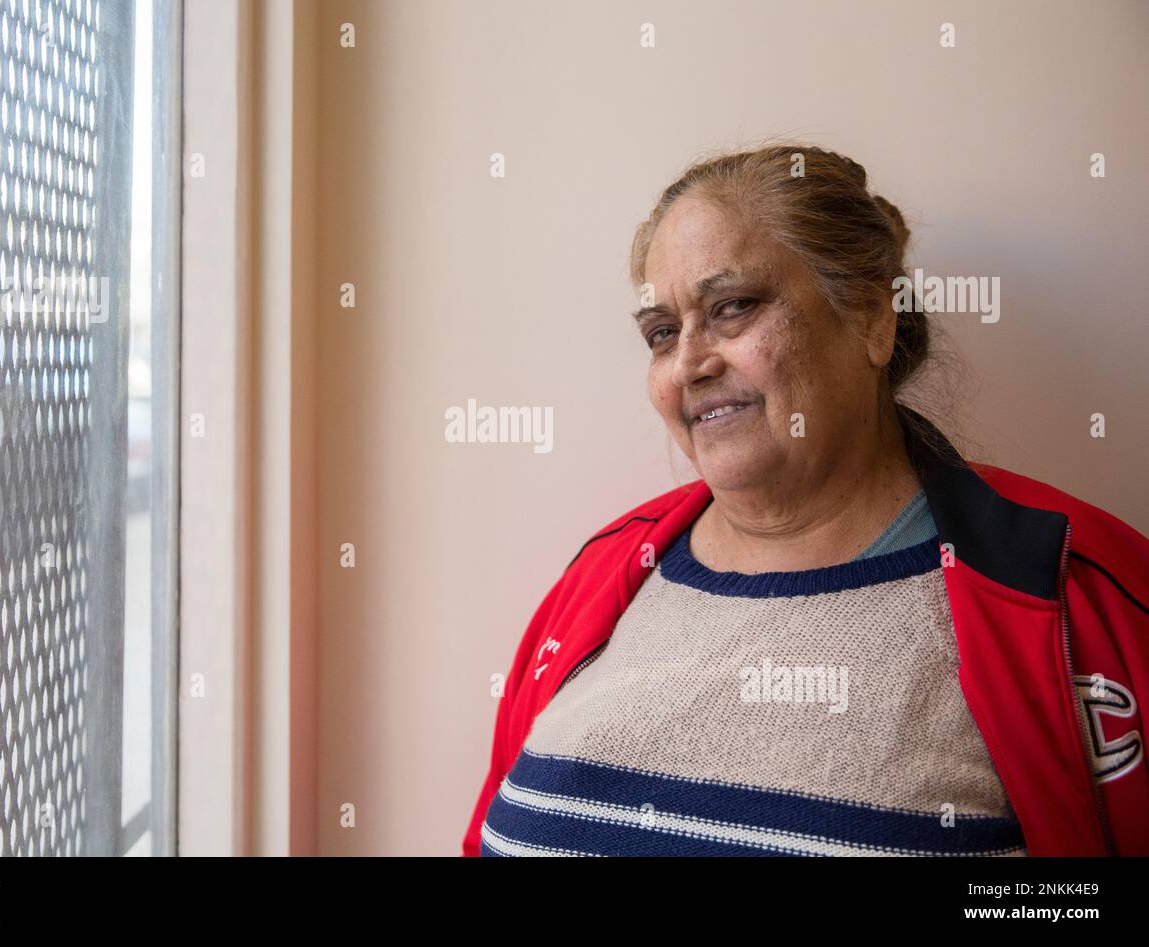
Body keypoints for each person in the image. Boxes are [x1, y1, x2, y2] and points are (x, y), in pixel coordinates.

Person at [462, 144, 1149, 857]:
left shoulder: (1075, 584)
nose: (690, 364)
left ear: (873, 320)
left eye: (732, 308)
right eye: (663, 333)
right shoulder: (599, 583)